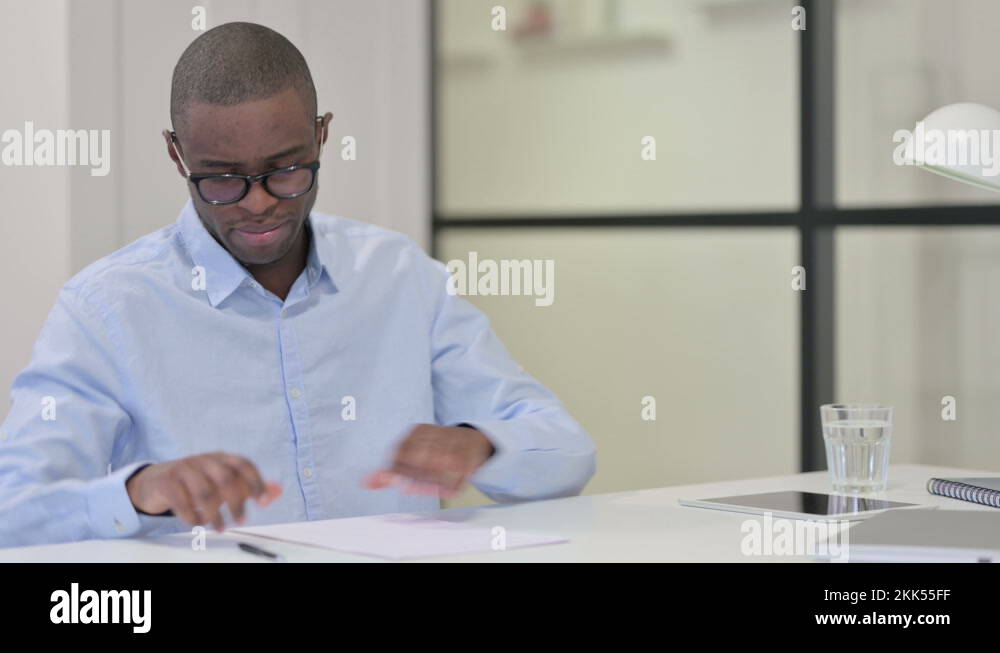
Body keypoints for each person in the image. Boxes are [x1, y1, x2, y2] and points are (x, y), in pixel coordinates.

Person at [0, 22, 595, 547]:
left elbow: (567, 450)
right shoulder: (106, 310)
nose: (258, 204)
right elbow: (13, 513)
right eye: (223, 179)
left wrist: (481, 444)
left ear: (322, 135)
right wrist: (136, 491)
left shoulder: (397, 276)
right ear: (177, 155)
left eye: (286, 169)